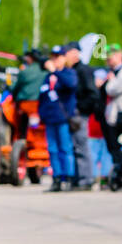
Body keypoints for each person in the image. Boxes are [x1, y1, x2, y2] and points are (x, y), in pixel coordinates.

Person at [39, 49, 77, 191]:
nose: (54, 60)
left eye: (57, 57)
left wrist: (56, 71)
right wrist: (42, 114)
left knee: (65, 148)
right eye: (53, 57)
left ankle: (67, 178)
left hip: (63, 118)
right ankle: (56, 177)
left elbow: (71, 85)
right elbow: (43, 96)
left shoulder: (68, 73)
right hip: (50, 118)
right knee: (52, 149)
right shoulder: (48, 77)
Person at [63, 42, 98, 190]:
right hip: (73, 113)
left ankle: (86, 179)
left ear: (75, 53)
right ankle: (78, 178)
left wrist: (81, 109)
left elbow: (92, 94)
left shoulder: (83, 70)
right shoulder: (71, 70)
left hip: (80, 113)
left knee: (81, 146)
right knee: (74, 146)